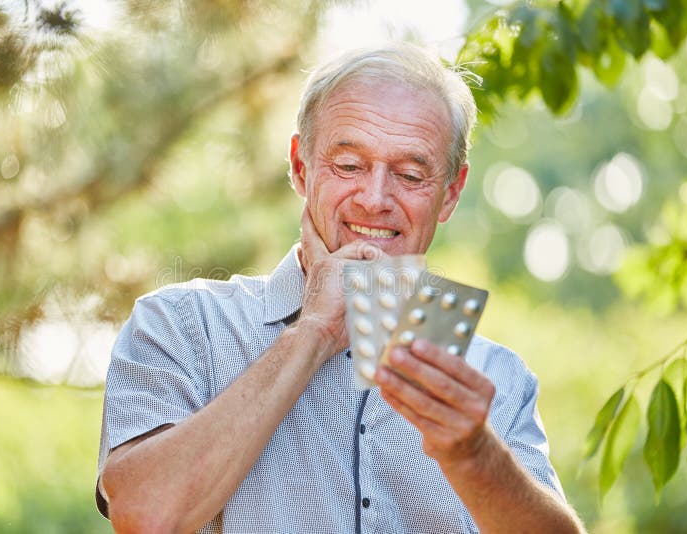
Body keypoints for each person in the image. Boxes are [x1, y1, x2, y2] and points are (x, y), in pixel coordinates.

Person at [96, 44, 585, 533]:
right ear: (300, 168)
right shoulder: (182, 324)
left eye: (410, 175)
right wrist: (313, 331)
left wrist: (475, 453)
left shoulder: (497, 376)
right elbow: (144, 517)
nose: (375, 199)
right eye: (349, 166)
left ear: (450, 193)